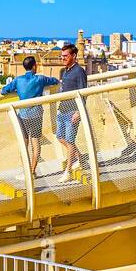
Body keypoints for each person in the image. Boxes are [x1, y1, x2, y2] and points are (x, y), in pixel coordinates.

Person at [0, 56, 59, 176]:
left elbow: (4, 90)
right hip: (36, 114)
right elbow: (54, 80)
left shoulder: (18, 80)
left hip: (23, 115)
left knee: (24, 144)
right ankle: (32, 171)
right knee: (36, 144)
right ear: (34, 66)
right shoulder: (40, 79)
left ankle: (25, 171)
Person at [56, 43, 88, 177]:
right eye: (62, 56)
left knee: (69, 140)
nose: (63, 58)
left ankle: (68, 171)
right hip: (62, 110)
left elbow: (83, 91)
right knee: (60, 137)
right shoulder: (64, 71)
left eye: (65, 56)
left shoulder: (79, 71)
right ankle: (80, 158)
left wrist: (79, 112)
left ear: (74, 56)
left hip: (72, 111)